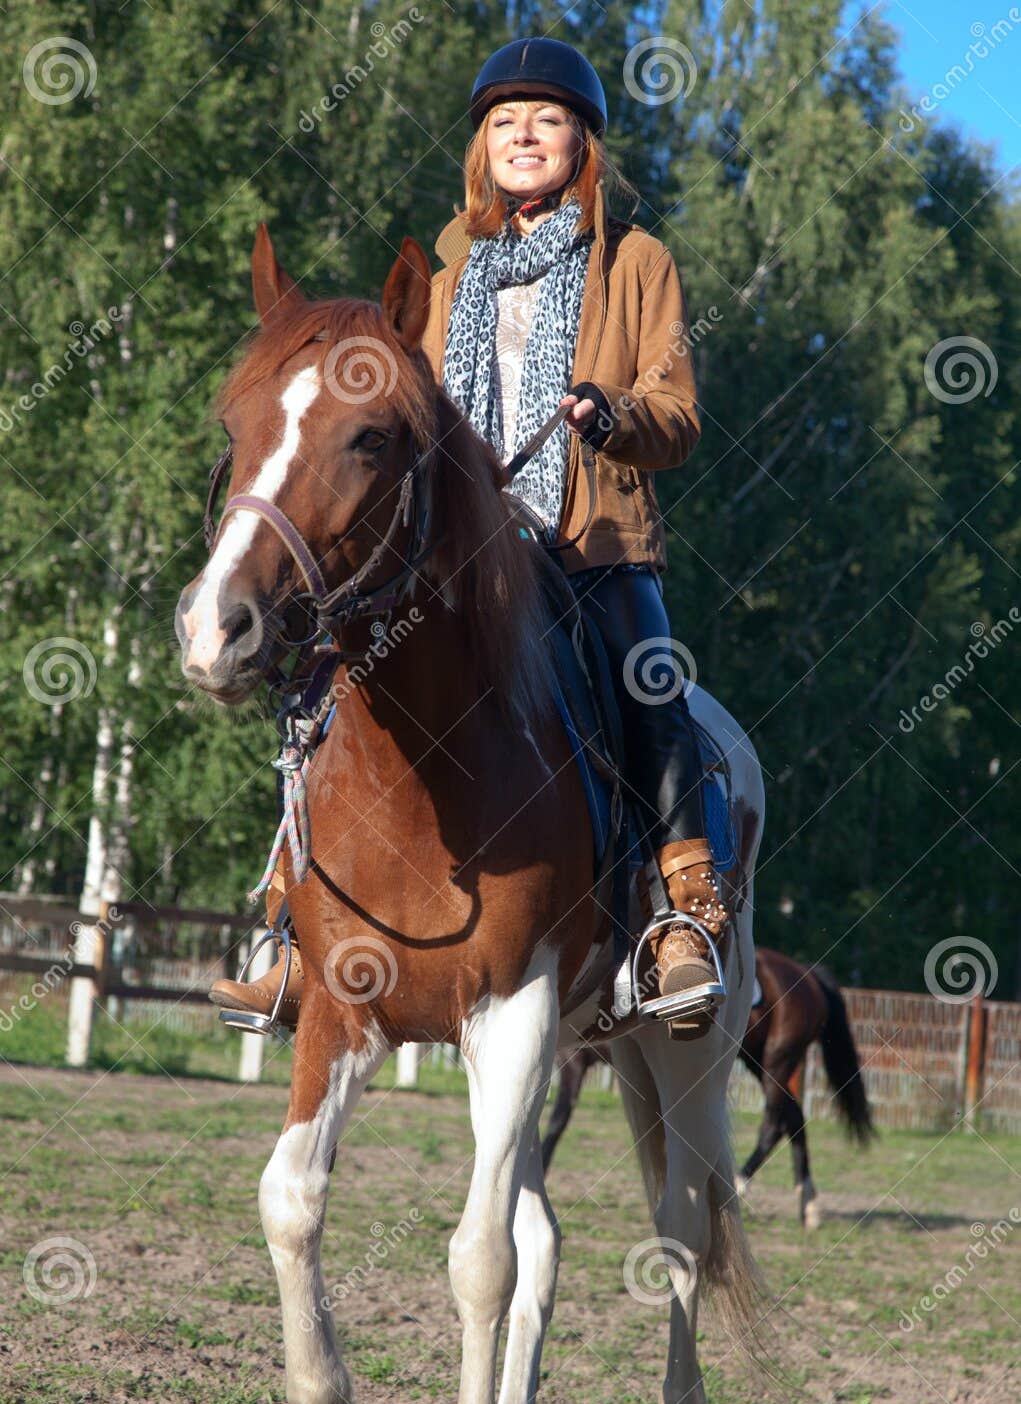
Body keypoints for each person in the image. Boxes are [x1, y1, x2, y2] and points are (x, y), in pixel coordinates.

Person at [212, 38, 728, 1037]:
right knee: (326, 682)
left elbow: (679, 412)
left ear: (585, 142)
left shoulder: (635, 260)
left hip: (590, 541)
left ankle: (682, 919)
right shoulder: (445, 268)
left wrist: (608, 413)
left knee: (648, 682)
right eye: (503, 121)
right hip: (457, 546)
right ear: (480, 148)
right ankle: (286, 921)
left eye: (545, 119)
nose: (522, 135)